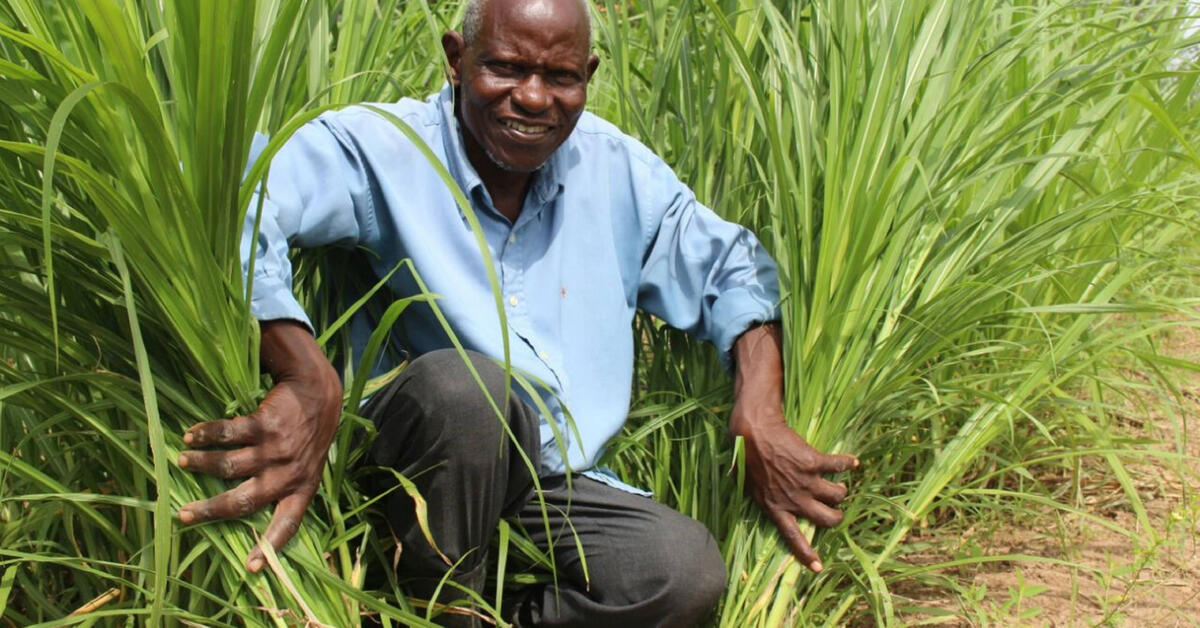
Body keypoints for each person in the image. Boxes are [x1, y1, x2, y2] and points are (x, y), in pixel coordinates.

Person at [174, 0, 858, 624]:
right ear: (456, 58)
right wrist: (305, 372)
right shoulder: (385, 148)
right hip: (423, 466)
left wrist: (759, 407)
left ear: (588, 75)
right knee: (469, 390)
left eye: (560, 76)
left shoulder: (617, 172)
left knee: (681, 574)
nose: (532, 97)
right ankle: (437, 607)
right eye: (505, 67)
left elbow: (734, 269)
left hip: (551, 481)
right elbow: (244, 195)